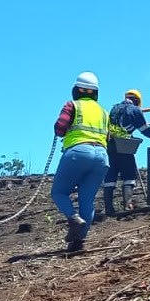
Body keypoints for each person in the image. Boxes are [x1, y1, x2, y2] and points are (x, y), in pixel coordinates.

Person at [52, 72, 110, 251]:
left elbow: (60, 127)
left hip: (77, 153)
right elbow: (108, 136)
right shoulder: (104, 112)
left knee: (59, 192)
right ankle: (78, 242)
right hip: (101, 156)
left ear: (76, 90)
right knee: (87, 200)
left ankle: (73, 218)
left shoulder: (72, 105)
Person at [104, 89, 150, 216]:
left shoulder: (114, 109)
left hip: (110, 146)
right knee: (129, 176)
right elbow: (144, 128)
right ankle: (128, 205)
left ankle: (108, 208)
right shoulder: (134, 110)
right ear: (137, 101)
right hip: (125, 147)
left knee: (110, 175)